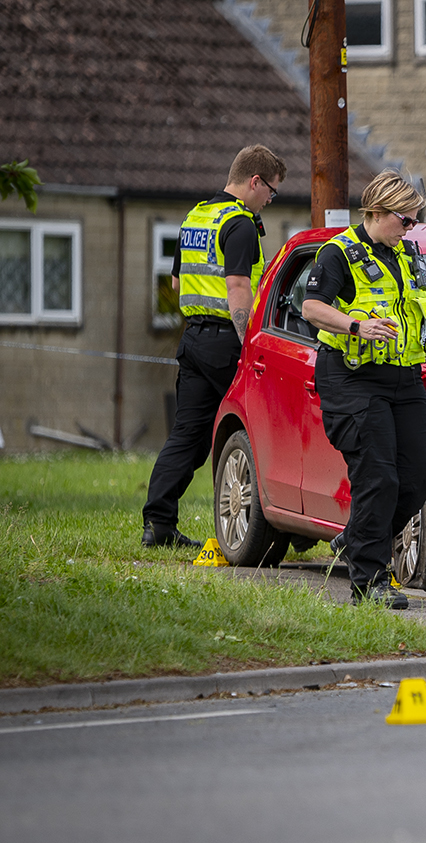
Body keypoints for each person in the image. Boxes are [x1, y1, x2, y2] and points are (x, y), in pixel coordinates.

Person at [300, 171, 426, 608]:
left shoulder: (407, 253)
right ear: (376, 212)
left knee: (420, 472)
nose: (410, 230)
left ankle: (355, 538)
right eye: (404, 221)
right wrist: (357, 325)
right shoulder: (339, 254)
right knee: (378, 477)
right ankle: (369, 584)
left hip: (404, 378)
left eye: (413, 222)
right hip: (352, 378)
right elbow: (311, 306)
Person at [141, 145, 286, 547]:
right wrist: (250, 345)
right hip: (228, 341)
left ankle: (158, 524)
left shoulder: (197, 216)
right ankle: (271, 526)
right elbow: (238, 287)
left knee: (187, 435)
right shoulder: (240, 223)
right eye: (271, 191)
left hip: (193, 340)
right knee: (263, 427)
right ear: (254, 182)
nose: (270, 201)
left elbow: (176, 283)